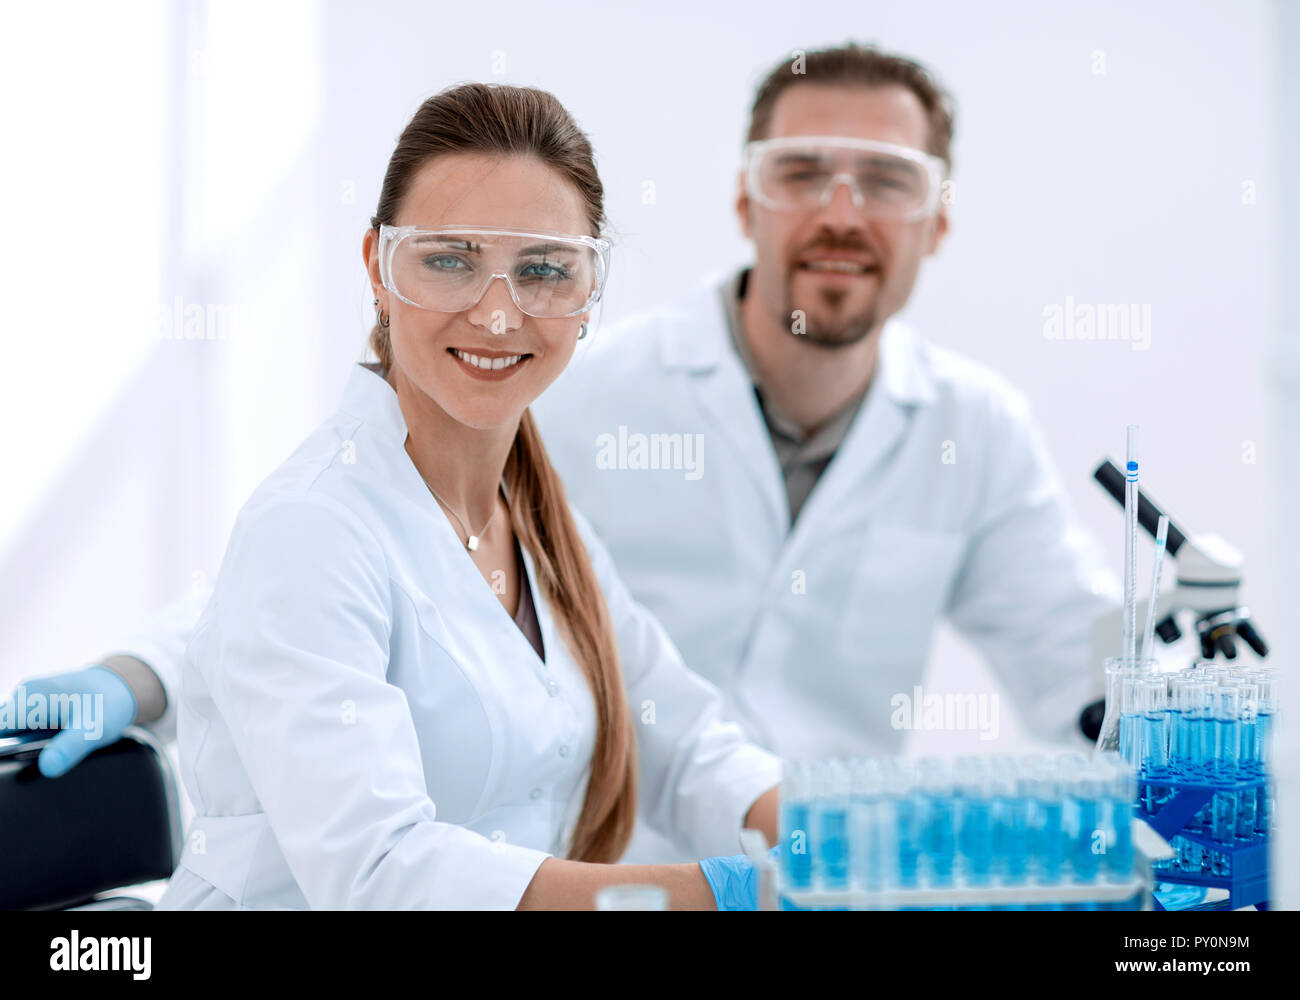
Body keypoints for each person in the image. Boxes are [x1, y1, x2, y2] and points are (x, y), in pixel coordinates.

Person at [7, 45, 1116, 870]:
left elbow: (676, 720)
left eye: (884, 179)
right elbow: (301, 584)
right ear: (744, 195)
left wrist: (866, 853)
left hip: (770, 848)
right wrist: (137, 674)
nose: (840, 210)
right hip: (613, 882)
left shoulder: (975, 429)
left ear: (937, 217)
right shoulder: (584, 394)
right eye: (801, 172)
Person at [122, 82, 777, 909]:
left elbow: (679, 734)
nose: (498, 315)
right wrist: (718, 896)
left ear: (587, 294)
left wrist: (842, 839)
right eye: (449, 260)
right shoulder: (314, 528)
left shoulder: (539, 521)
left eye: (542, 270)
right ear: (378, 268)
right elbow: (381, 872)